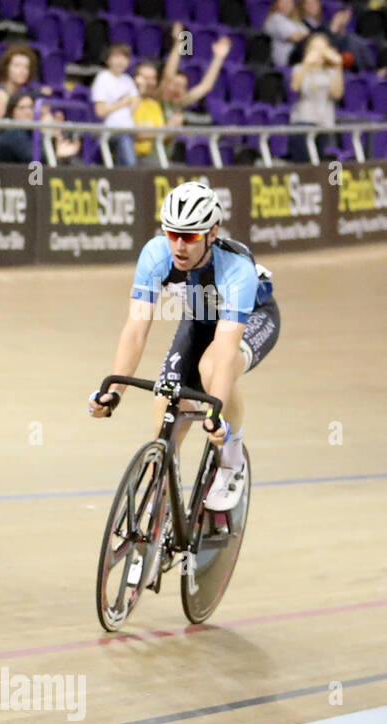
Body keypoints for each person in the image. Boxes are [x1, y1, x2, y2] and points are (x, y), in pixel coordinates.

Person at [89, 181, 280, 514]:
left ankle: (231, 461)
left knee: (211, 371)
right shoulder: (155, 255)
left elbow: (223, 351)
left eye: (190, 236)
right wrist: (115, 390)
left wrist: (215, 414)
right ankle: (162, 481)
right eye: (172, 233)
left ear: (212, 233)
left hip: (251, 318)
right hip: (200, 316)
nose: (179, 245)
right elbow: (136, 330)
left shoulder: (236, 269)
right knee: (168, 397)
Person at [289, 32, 344, 162]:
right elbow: (295, 88)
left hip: (325, 122)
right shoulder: (299, 68)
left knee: (325, 164)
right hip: (304, 121)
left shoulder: (331, 71)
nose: (319, 53)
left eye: (322, 49)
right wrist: (306, 64)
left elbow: (337, 94)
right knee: (304, 163)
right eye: (315, 49)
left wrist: (338, 67)